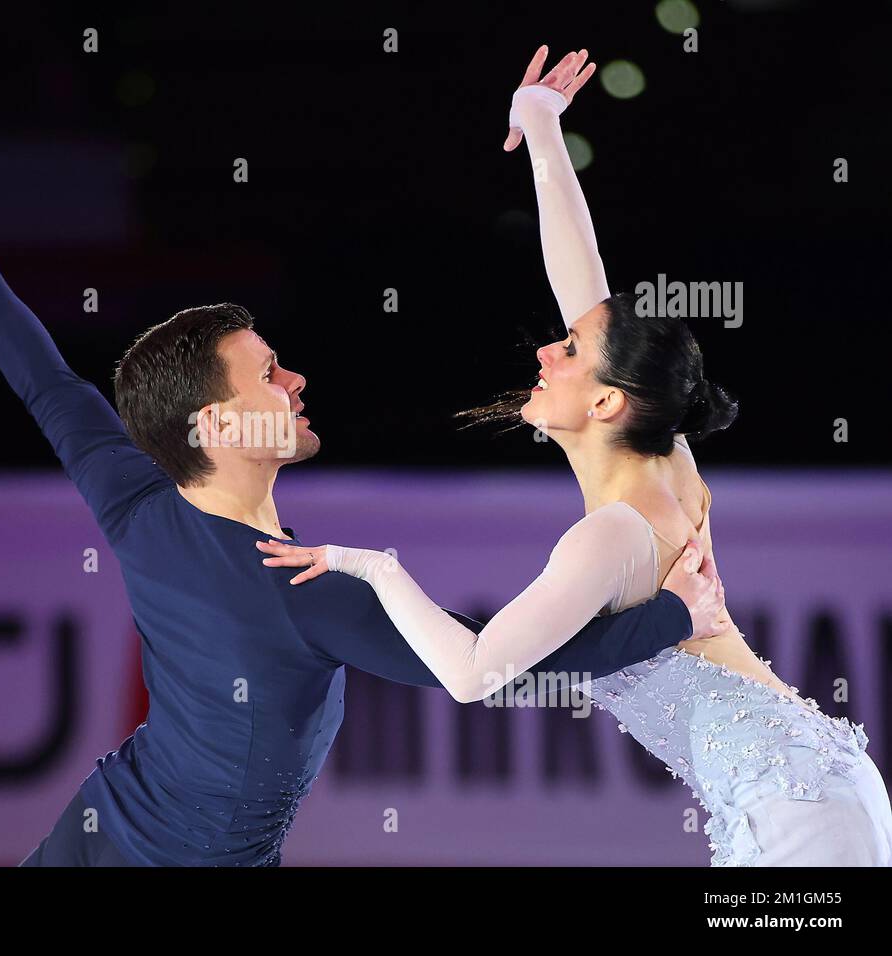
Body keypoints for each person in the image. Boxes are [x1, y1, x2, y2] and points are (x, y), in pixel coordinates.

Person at [0, 192, 724, 866]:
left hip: (95, 832)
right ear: (220, 427)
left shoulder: (135, 504)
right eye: (269, 373)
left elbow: (54, 389)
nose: (297, 378)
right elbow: (503, 665)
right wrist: (672, 615)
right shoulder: (305, 591)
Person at [258, 47, 892, 866]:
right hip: (816, 784)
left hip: (798, 804)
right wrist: (542, 127)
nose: (546, 350)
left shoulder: (616, 533)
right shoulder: (668, 456)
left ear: (604, 403)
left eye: (567, 350)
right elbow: (582, 278)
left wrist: (374, 566)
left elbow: (474, 674)